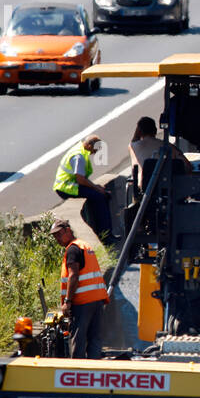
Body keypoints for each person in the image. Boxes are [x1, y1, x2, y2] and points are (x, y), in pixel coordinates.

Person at [50, 219, 110, 359]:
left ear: (68, 230)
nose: (57, 238)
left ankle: (77, 372)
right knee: (95, 339)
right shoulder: (85, 246)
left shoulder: (72, 249)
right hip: (97, 300)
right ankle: (94, 372)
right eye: (55, 236)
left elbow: (74, 276)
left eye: (59, 234)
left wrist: (67, 301)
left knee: (78, 339)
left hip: (82, 303)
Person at [54, 134, 113, 242]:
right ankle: (105, 235)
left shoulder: (81, 150)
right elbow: (81, 180)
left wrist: (96, 187)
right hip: (67, 188)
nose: (95, 153)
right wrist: (97, 188)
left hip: (71, 185)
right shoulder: (79, 156)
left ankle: (106, 232)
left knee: (99, 195)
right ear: (90, 145)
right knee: (99, 196)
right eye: (95, 149)